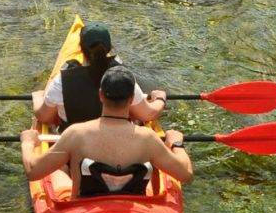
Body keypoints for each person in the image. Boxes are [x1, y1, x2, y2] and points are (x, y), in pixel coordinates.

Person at [22, 65, 193, 198]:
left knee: (59, 169)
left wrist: (28, 143)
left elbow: (33, 172)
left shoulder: (76, 134)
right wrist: (176, 143)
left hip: (83, 211)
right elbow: (185, 175)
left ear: (101, 95)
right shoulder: (148, 138)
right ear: (132, 98)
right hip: (134, 211)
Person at [34, 23, 167, 129]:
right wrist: (160, 98)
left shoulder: (62, 81)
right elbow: (147, 114)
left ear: (81, 49)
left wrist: (38, 98)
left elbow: (44, 117)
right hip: (116, 142)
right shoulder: (122, 77)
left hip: (74, 146)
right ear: (109, 48)